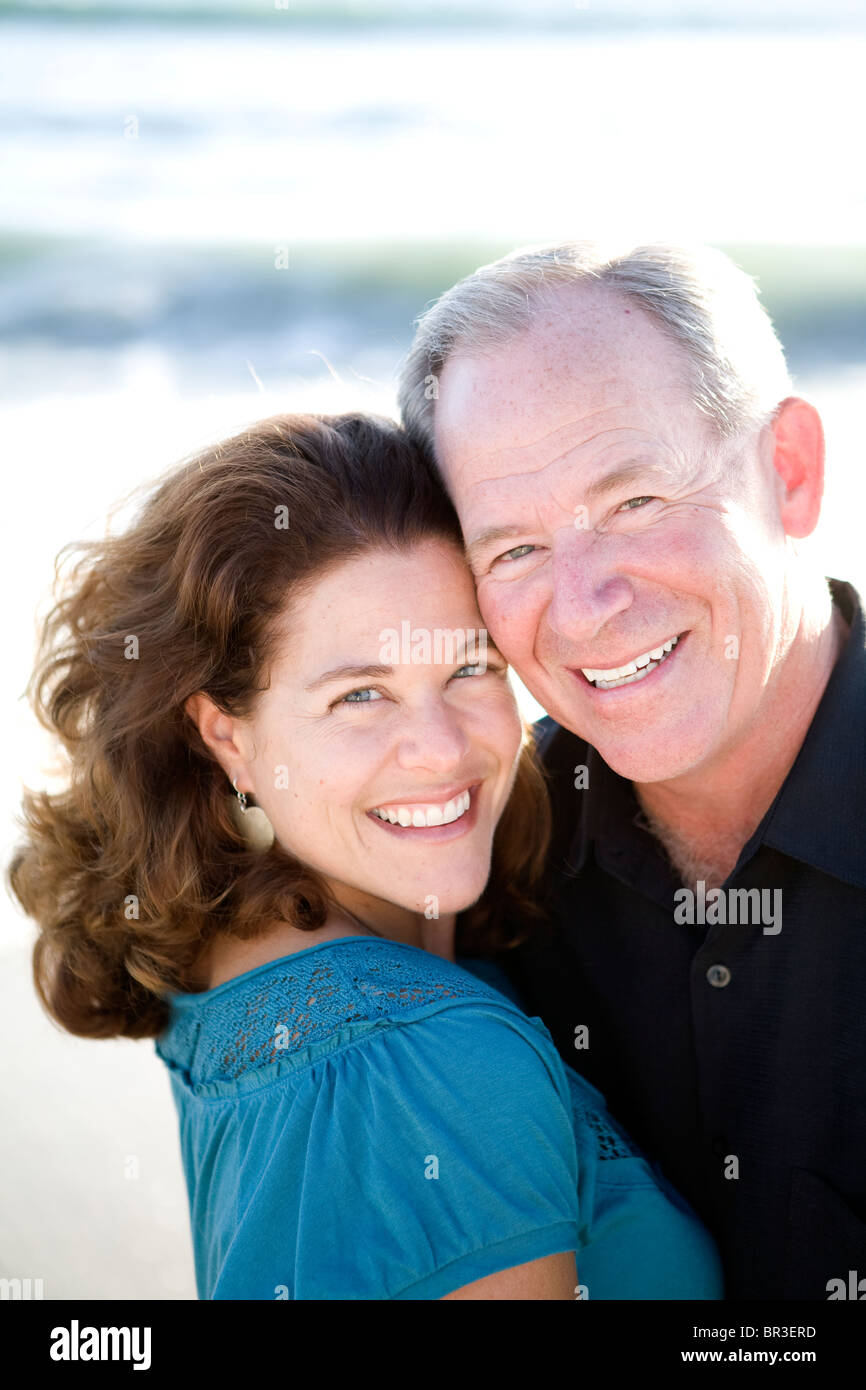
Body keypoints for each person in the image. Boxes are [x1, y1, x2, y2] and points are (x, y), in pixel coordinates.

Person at [8, 412, 723, 1301]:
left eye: (471, 669)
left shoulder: (230, 964)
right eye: (360, 696)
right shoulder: (423, 1059)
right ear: (228, 738)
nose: (440, 748)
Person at [396, 239, 866, 1301]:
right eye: (511, 550)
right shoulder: (485, 866)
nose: (584, 602)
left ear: (787, 472)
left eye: (633, 502)